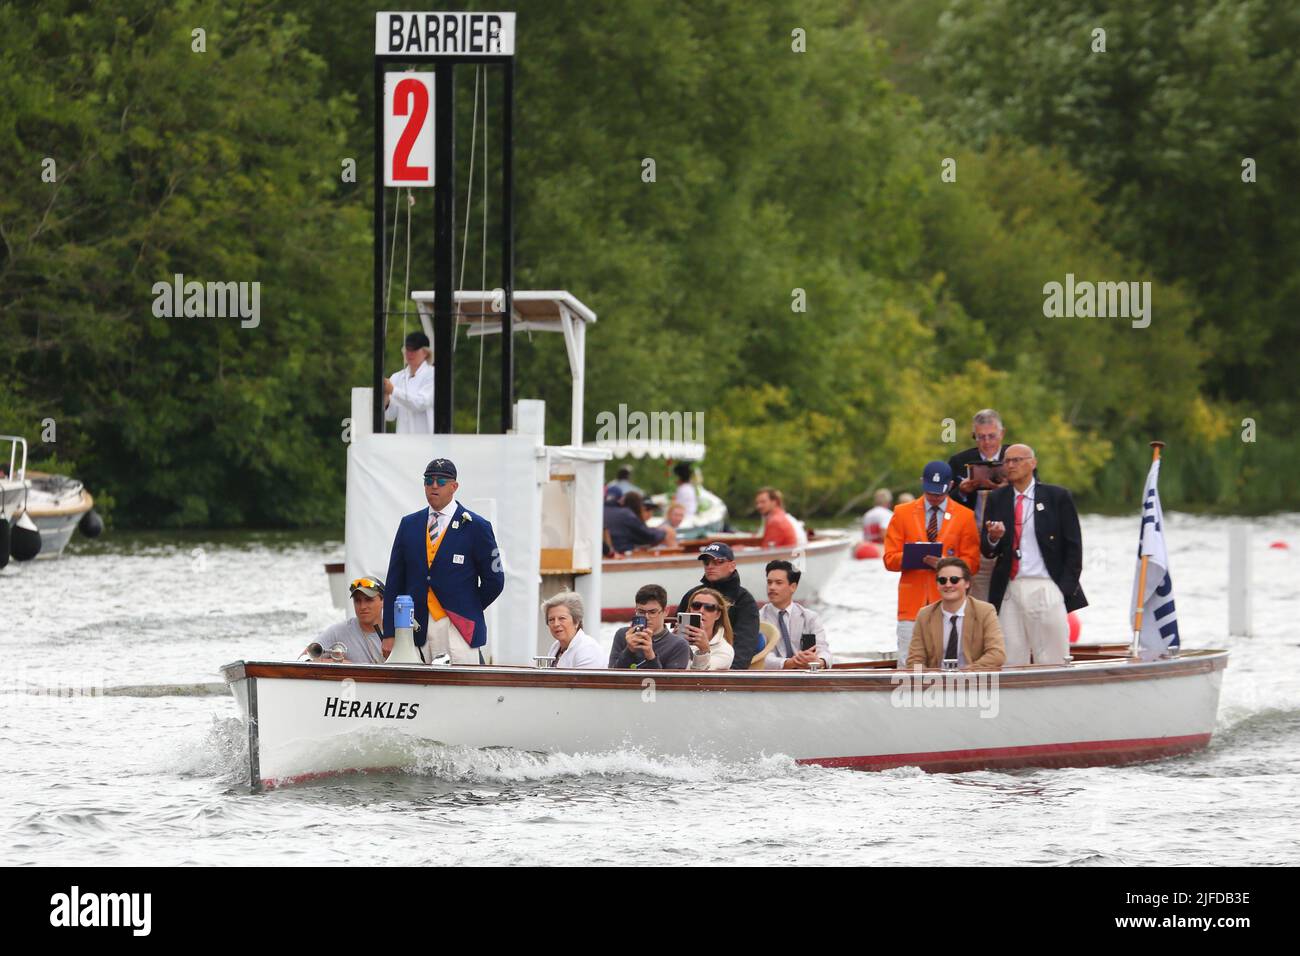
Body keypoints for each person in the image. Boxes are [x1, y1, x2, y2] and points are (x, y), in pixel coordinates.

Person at [383, 458, 505, 664]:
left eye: (440, 481)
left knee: (463, 690)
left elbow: (495, 580)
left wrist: (467, 607)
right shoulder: (409, 524)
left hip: (457, 626)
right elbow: (394, 582)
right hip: (415, 625)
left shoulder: (477, 526)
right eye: (428, 480)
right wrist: (389, 632)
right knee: (415, 689)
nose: (433, 486)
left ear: (454, 486)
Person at [981, 444, 1086, 666]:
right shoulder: (996, 499)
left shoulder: (1057, 497)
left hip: (1045, 584)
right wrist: (994, 537)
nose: (1010, 466)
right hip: (1009, 587)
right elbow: (988, 549)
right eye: (1006, 461)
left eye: (1016, 460)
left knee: (1052, 657)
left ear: (1032, 463)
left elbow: (1074, 548)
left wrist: (1062, 590)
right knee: (1010, 656)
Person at [883, 461, 981, 668]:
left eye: (940, 493)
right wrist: (912, 557)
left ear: (952, 485)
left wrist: (946, 563)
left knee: (951, 666)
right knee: (910, 666)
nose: (935, 497)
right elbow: (889, 559)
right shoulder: (902, 513)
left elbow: (972, 564)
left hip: (951, 605)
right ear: (922, 483)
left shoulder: (965, 516)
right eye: (930, 492)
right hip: (911, 608)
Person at [905, 558, 1005, 670]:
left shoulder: (985, 611)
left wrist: (966, 672)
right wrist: (929, 678)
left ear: (967, 583)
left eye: (954, 580)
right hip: (936, 683)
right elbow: (914, 660)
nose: (948, 584)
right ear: (937, 584)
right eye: (942, 580)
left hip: (973, 680)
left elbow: (997, 654)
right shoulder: (925, 615)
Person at [675, 542, 760, 669]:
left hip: (725, 667)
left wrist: (730, 677)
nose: (710, 566)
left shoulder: (744, 600)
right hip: (684, 662)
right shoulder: (692, 595)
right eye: (706, 562)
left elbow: (745, 646)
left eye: (717, 562)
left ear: (732, 566)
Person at [759, 560, 830, 669]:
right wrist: (791, 663)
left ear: (793, 587)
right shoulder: (758, 618)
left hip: (806, 677)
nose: (772, 587)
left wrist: (818, 661)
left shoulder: (810, 617)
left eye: (778, 583)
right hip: (773, 679)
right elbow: (761, 656)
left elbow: (824, 651)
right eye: (769, 582)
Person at [303, 576, 388, 663]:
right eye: (357, 600)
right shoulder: (337, 631)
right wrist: (338, 663)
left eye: (369, 600)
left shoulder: (397, 633)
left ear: (384, 601)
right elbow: (305, 661)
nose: (363, 606)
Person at [608, 584, 691, 669]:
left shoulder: (678, 645)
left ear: (666, 611)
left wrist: (651, 656)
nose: (646, 617)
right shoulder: (622, 635)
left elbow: (668, 682)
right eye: (641, 612)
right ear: (636, 610)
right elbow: (611, 678)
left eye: (652, 612)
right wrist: (629, 650)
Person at [947, 409, 1011, 510]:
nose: (987, 442)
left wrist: (1010, 488)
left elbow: (1034, 492)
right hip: (971, 522)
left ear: (1002, 433)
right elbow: (944, 502)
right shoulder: (959, 461)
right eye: (981, 437)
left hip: (1010, 522)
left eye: (992, 436)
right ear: (974, 435)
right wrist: (961, 491)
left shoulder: (1016, 458)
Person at [383, 331, 435, 433]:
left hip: (426, 443)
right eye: (407, 349)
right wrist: (385, 398)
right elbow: (390, 416)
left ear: (425, 352)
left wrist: (393, 390)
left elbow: (420, 403)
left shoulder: (433, 374)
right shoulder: (396, 377)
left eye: (414, 350)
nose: (409, 353)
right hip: (403, 443)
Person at [543, 591, 605, 668]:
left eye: (562, 618)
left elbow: (583, 679)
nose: (556, 624)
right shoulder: (556, 646)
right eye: (551, 620)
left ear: (576, 622)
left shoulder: (588, 649)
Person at [679, 587, 735, 671]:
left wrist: (704, 651)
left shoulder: (724, 650)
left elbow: (697, 679)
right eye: (696, 605)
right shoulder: (674, 636)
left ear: (718, 615)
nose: (701, 611)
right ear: (690, 609)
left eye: (709, 607)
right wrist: (672, 643)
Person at [606, 490, 676, 554]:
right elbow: (648, 536)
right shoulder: (626, 515)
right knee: (669, 532)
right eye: (646, 509)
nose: (649, 512)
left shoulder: (605, 512)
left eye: (651, 509)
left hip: (614, 556)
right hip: (620, 558)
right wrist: (663, 532)